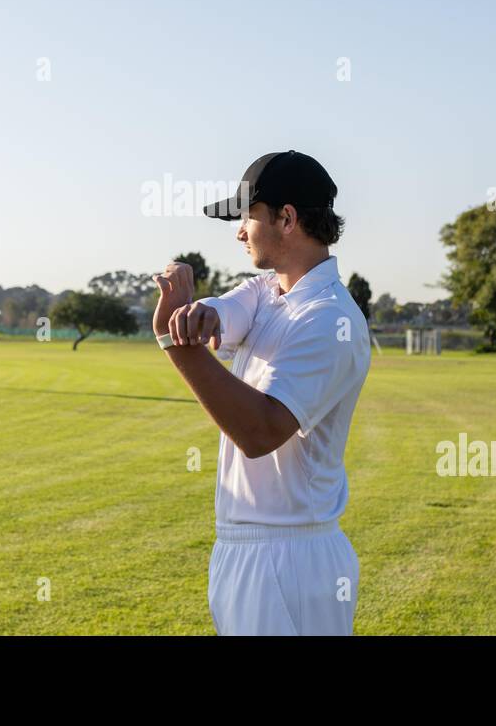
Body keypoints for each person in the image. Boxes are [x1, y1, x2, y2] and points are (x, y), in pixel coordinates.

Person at [152, 151, 371, 635]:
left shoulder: (329, 318)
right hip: (245, 548)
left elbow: (260, 430)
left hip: (290, 557)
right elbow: (223, 314)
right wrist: (195, 315)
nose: (239, 231)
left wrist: (176, 344)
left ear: (286, 218)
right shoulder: (269, 291)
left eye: (248, 217)